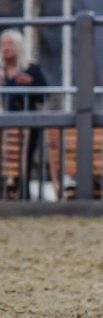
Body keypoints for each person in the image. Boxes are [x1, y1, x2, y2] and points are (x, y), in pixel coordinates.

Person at [1, 28, 51, 199]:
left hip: (26, 122)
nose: (6, 48)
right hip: (3, 121)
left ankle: (24, 193)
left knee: (24, 159)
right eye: (3, 44)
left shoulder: (30, 68)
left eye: (10, 44)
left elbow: (44, 94)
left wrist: (31, 84)